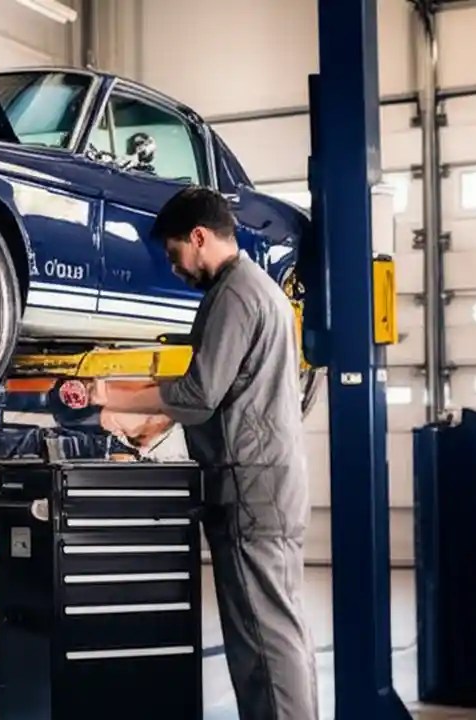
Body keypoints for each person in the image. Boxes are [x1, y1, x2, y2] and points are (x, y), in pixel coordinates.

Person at [83, 187, 319, 720]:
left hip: (250, 486)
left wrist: (109, 392)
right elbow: (224, 388)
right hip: (269, 482)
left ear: (199, 237)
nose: (175, 269)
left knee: (263, 639)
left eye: (174, 255)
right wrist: (154, 421)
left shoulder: (234, 294)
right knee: (279, 629)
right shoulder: (261, 290)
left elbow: (199, 391)